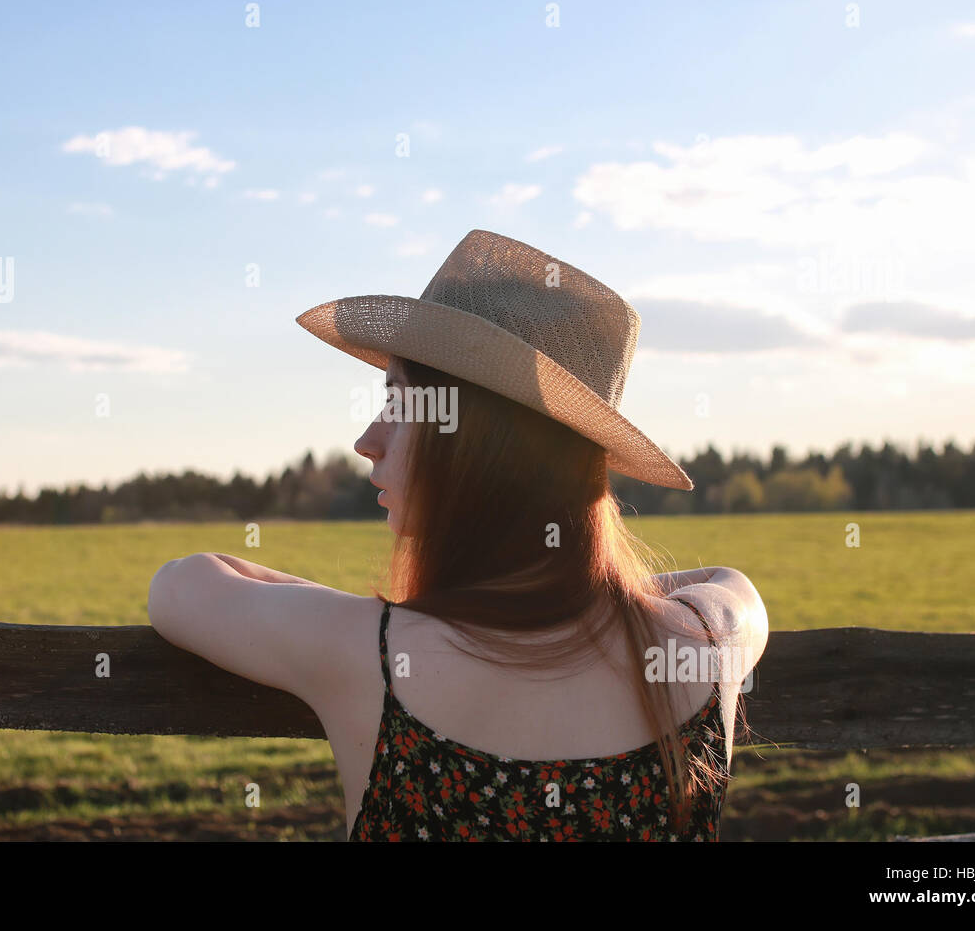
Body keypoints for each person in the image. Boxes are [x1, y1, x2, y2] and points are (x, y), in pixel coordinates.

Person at [148, 229, 769, 841]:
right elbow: (728, 585)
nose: (367, 441)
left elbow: (181, 585)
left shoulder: (373, 655)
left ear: (473, 439)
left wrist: (343, 614)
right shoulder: (710, 639)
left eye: (397, 401)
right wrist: (598, 596)